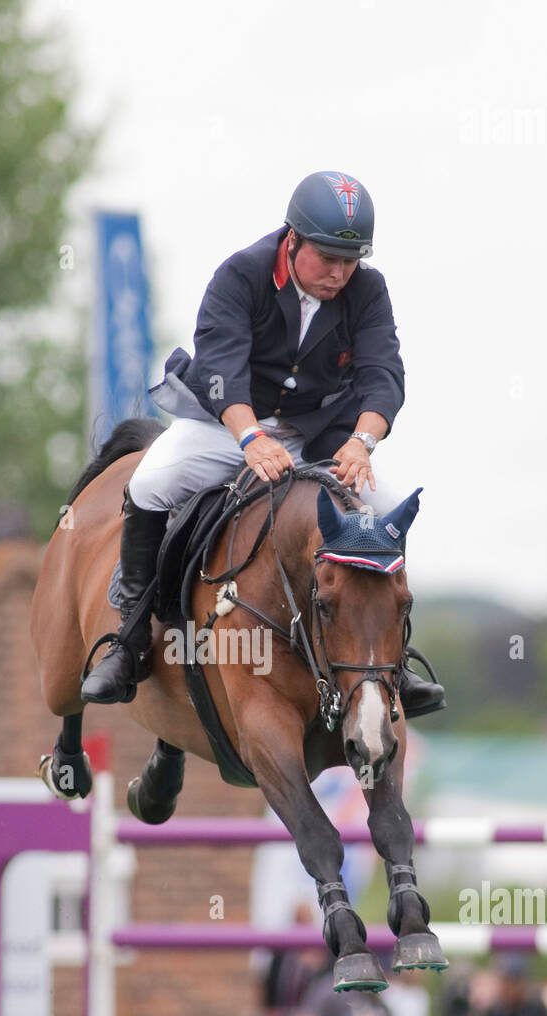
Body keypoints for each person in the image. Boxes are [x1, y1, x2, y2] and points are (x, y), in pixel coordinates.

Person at [81, 170, 446, 715]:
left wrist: (362, 442)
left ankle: (394, 661)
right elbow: (221, 366)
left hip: (315, 436)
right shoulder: (241, 274)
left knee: (384, 510)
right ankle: (129, 640)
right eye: (327, 258)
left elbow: (382, 372)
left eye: (350, 261)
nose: (339, 273)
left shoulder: (368, 290)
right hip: (227, 426)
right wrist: (250, 437)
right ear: (293, 239)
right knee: (151, 483)